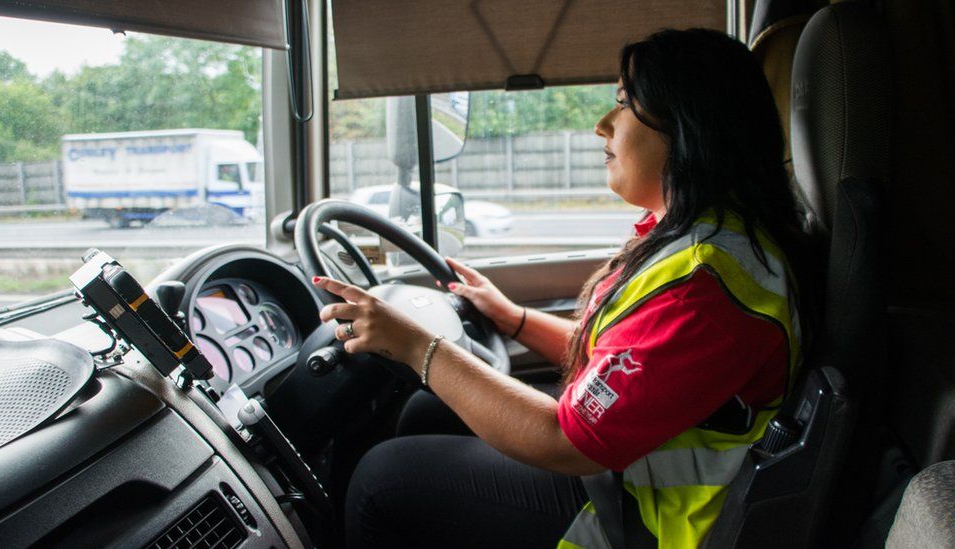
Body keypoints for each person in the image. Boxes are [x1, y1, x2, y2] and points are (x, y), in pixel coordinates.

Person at [312, 28, 811, 549]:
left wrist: (417, 345)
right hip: (628, 467)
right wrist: (513, 318)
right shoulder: (698, 238)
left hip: (640, 517)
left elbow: (566, 441)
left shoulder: (703, 289)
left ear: (688, 125)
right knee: (423, 410)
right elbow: (620, 363)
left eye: (623, 103)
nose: (602, 125)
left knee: (381, 479)